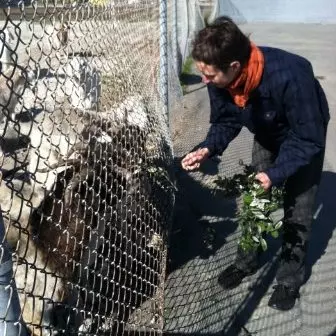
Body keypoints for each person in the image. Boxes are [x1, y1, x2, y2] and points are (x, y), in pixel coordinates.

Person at [181, 16, 329, 311]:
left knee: (298, 209)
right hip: (267, 129)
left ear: (234, 66)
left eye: (209, 76)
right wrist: (207, 148)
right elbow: (225, 120)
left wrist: (276, 174)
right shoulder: (218, 74)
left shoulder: (291, 74)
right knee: (255, 202)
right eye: (202, 74)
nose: (205, 81)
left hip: (303, 134)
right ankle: (246, 262)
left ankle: (289, 279)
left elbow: (308, 138)